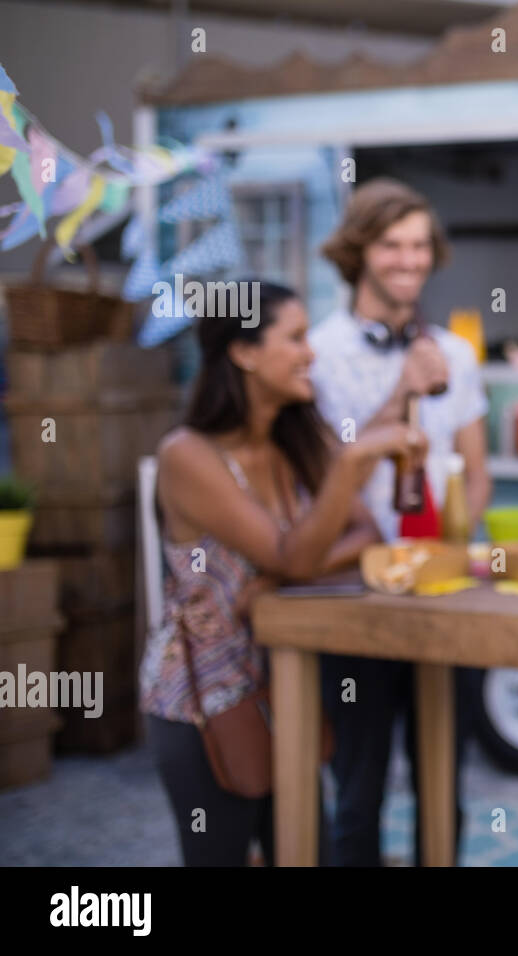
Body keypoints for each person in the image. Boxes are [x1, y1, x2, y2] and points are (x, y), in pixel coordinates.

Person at [142, 281, 427, 866]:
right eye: (295, 337)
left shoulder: (300, 433)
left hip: (286, 687)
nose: (311, 352)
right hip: (203, 697)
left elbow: (364, 535)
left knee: (305, 851)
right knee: (218, 856)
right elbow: (296, 552)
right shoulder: (187, 456)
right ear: (244, 353)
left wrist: (276, 582)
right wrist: (350, 466)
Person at [310, 177, 491, 866]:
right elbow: (331, 474)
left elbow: (473, 472)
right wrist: (401, 391)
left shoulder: (459, 353)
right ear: (357, 252)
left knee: (443, 782)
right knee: (358, 790)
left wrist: (452, 553)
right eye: (392, 245)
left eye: (420, 246)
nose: (410, 260)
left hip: (439, 594)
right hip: (354, 592)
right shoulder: (318, 354)